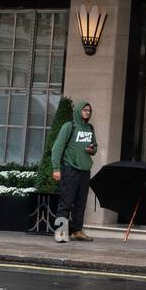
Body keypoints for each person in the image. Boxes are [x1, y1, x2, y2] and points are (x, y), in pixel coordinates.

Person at [51, 100, 98, 242]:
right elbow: (57, 148)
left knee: (81, 203)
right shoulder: (69, 126)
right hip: (70, 168)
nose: (87, 112)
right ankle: (60, 232)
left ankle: (77, 231)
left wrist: (92, 149)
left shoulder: (90, 128)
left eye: (89, 110)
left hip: (85, 170)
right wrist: (56, 169)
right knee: (66, 201)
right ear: (78, 110)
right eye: (84, 110)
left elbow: (94, 147)